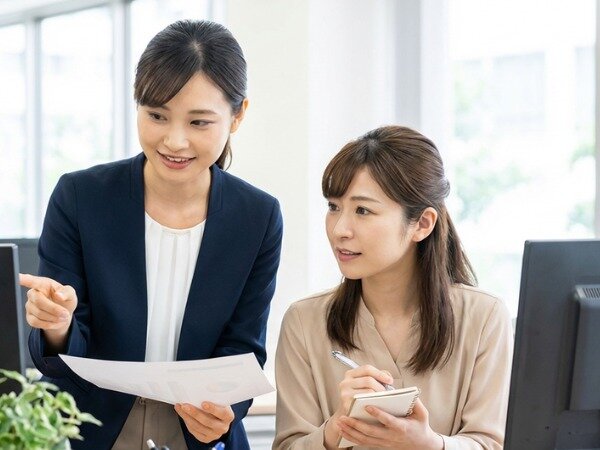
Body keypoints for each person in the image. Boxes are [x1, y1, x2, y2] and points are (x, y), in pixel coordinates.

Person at [20, 20, 283, 450]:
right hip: (89, 429)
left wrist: (222, 414)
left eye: (199, 122)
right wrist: (59, 325)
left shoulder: (258, 216)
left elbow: (243, 348)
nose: (174, 141)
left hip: (196, 430)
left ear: (238, 116)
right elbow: (59, 360)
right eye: (157, 115)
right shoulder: (80, 197)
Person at [273, 125, 513, 450]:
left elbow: (490, 443)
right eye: (333, 207)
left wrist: (430, 444)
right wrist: (337, 426)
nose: (340, 229)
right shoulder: (304, 321)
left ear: (422, 224)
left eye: (363, 210)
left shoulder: (484, 317)